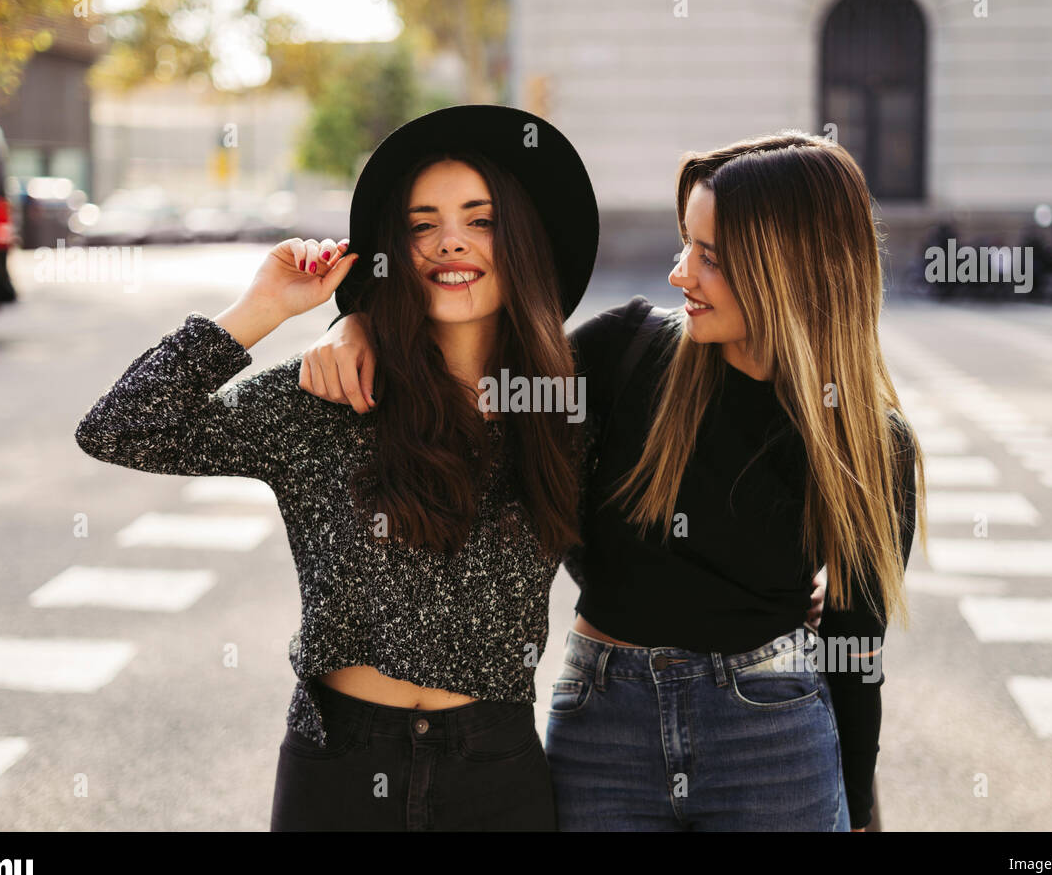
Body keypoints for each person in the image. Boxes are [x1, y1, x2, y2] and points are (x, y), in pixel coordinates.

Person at [302, 130, 926, 831]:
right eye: (684, 244)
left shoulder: (871, 446)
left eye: (711, 257)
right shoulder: (627, 349)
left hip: (772, 736)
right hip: (603, 728)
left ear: (793, 269)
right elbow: (474, 383)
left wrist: (862, 804)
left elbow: (856, 653)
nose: (680, 274)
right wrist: (355, 323)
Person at [74, 104, 600, 830]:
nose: (450, 242)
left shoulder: (565, 408)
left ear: (523, 241)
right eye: (422, 225)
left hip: (498, 773)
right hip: (342, 766)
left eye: (480, 220)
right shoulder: (330, 394)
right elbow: (120, 427)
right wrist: (263, 310)